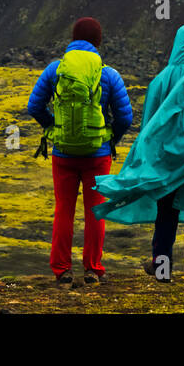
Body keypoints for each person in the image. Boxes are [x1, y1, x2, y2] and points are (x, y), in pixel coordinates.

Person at [92, 22, 184, 283]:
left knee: (167, 214)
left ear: (176, 44)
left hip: (167, 161)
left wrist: (145, 162)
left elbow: (149, 129)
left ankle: (163, 272)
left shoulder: (159, 82)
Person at [26, 16, 133, 285]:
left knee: (64, 209)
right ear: (98, 42)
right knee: (96, 211)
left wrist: (54, 127)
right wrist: (111, 141)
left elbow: (34, 106)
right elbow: (125, 117)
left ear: (73, 39)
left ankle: (62, 270)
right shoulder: (108, 74)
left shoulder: (55, 70)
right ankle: (92, 269)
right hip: (98, 155)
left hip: (63, 154)